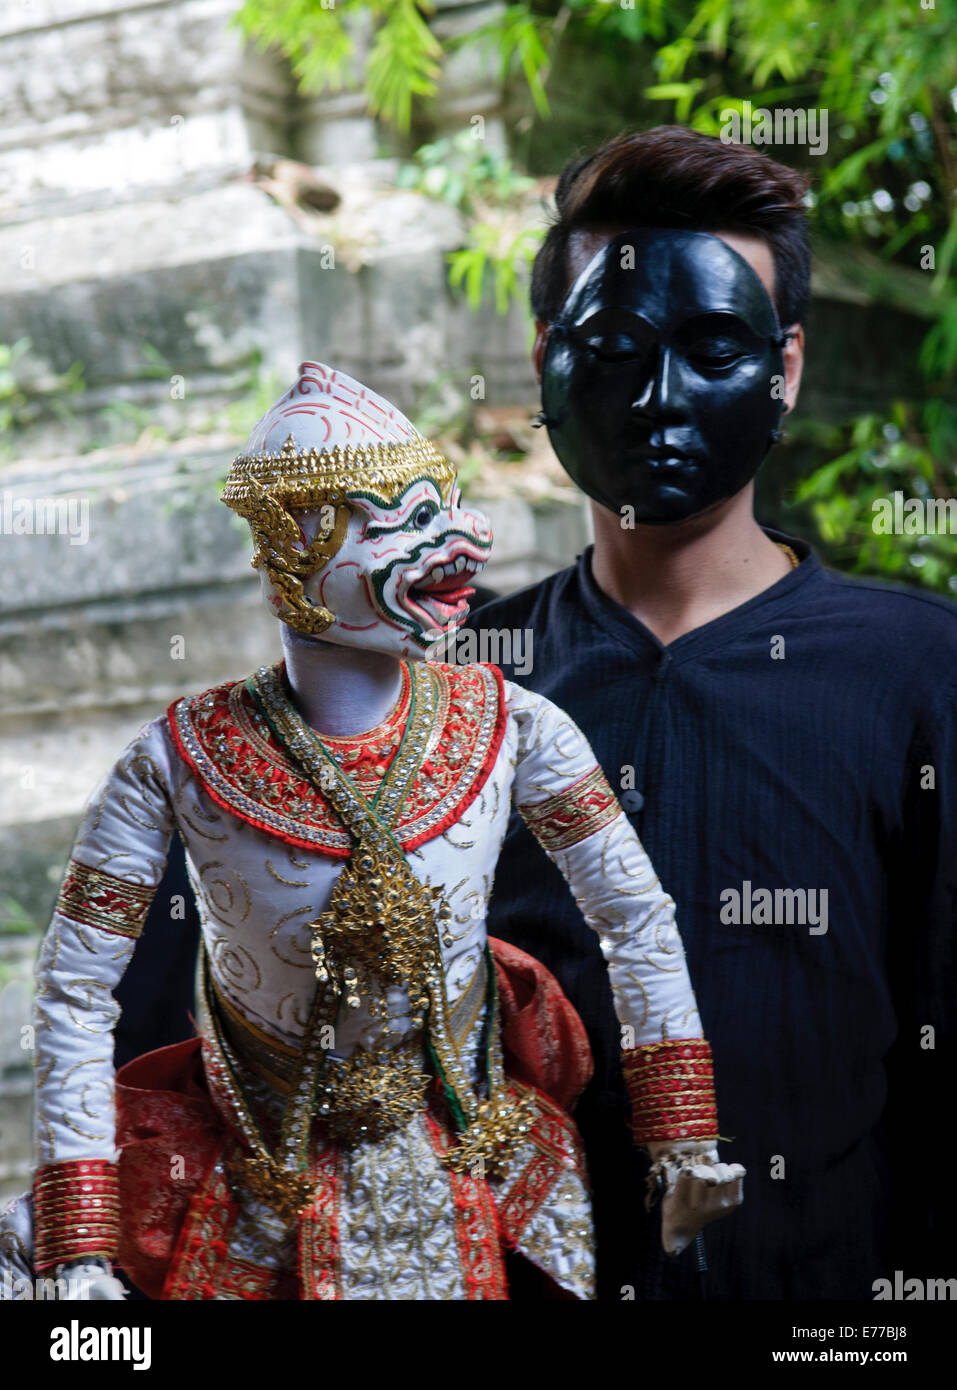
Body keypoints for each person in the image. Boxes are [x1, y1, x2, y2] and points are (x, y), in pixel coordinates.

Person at [0, 361, 742, 1301]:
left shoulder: (516, 726)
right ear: (297, 540)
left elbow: (633, 917)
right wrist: (81, 1241)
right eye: (401, 519)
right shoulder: (177, 757)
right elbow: (71, 988)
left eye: (448, 504)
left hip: (480, 1144)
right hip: (253, 1165)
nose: (462, 540)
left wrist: (681, 1133)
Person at [460, 125, 957, 1301]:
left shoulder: (921, 673)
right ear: (544, 358)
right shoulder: (452, 682)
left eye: (714, 347)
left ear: (785, 370)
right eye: (615, 346)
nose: (662, 396)